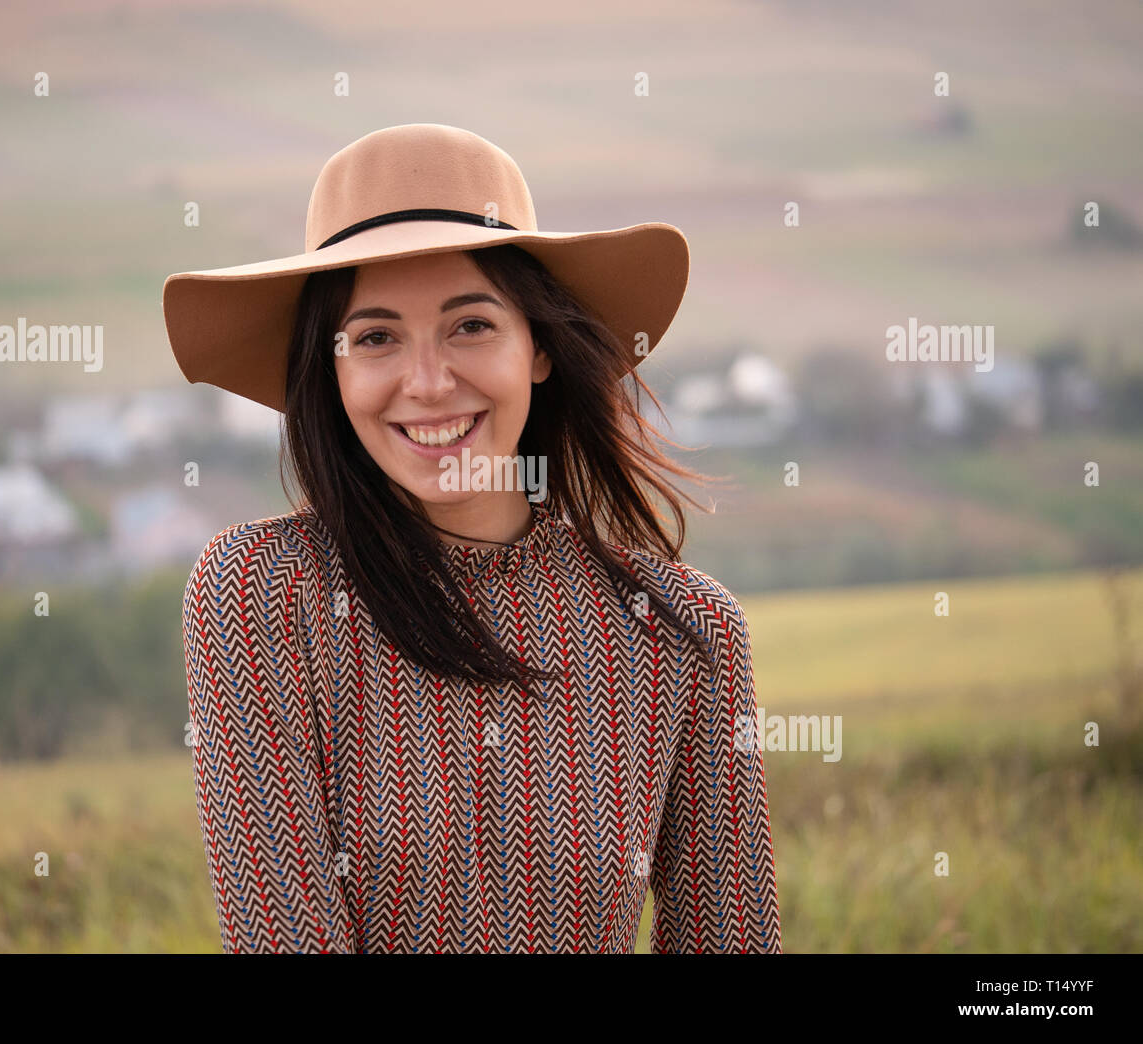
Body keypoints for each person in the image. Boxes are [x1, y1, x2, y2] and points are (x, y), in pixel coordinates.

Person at [163, 123, 782, 953]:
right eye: (377, 337)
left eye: (471, 326)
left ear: (539, 347)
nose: (427, 384)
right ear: (332, 371)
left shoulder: (682, 632)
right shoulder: (260, 593)